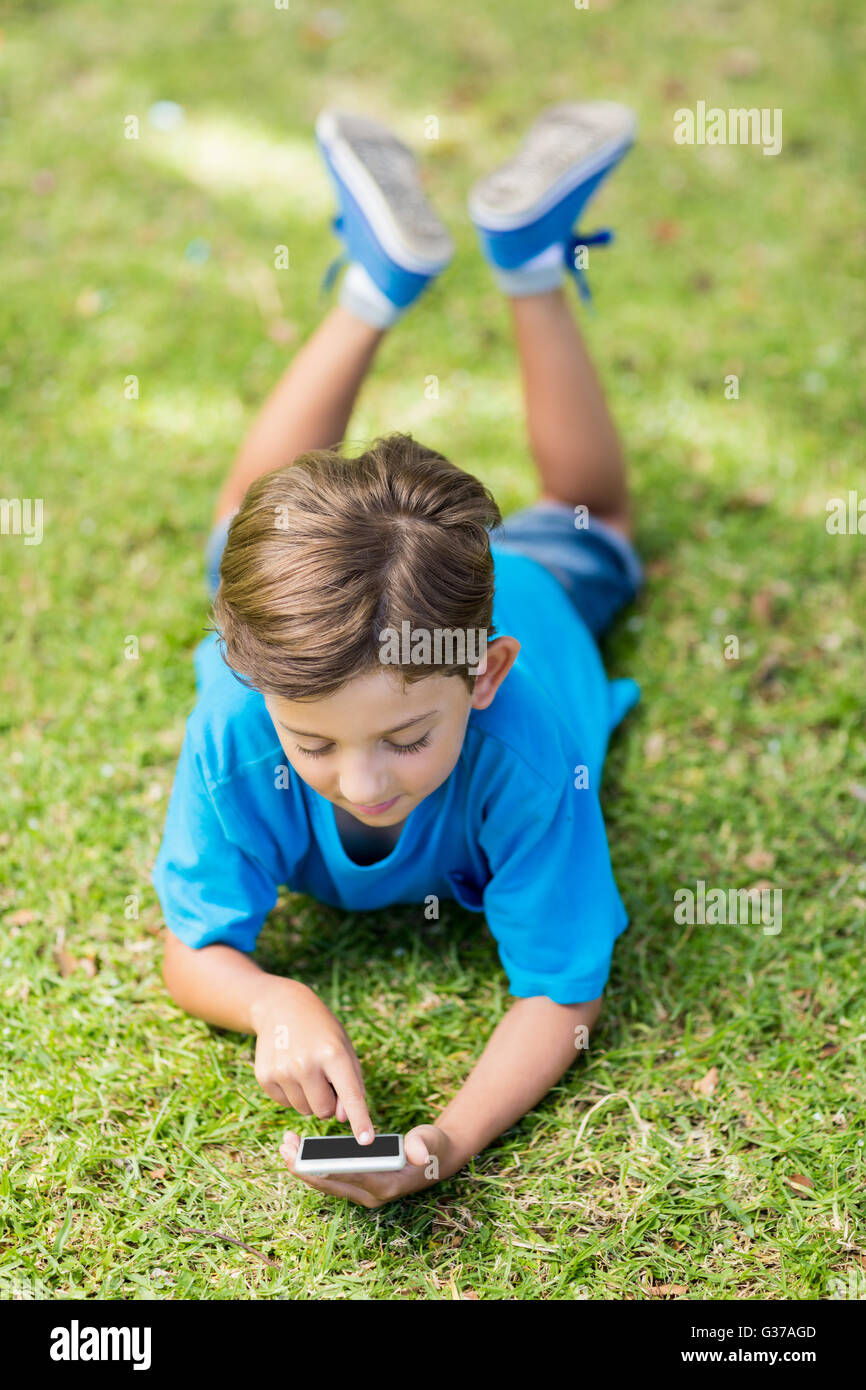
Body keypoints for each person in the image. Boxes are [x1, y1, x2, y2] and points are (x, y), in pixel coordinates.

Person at [153, 102, 643, 1208]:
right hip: (367, 588)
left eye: (409, 736)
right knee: (242, 535)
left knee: (589, 520)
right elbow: (196, 950)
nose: (364, 781)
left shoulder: (525, 757)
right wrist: (274, 1000)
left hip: (534, 578)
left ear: (484, 676)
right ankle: (397, 273)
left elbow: (561, 993)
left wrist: (448, 1140)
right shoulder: (237, 720)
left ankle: (519, 266)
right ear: (252, 677)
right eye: (313, 740)